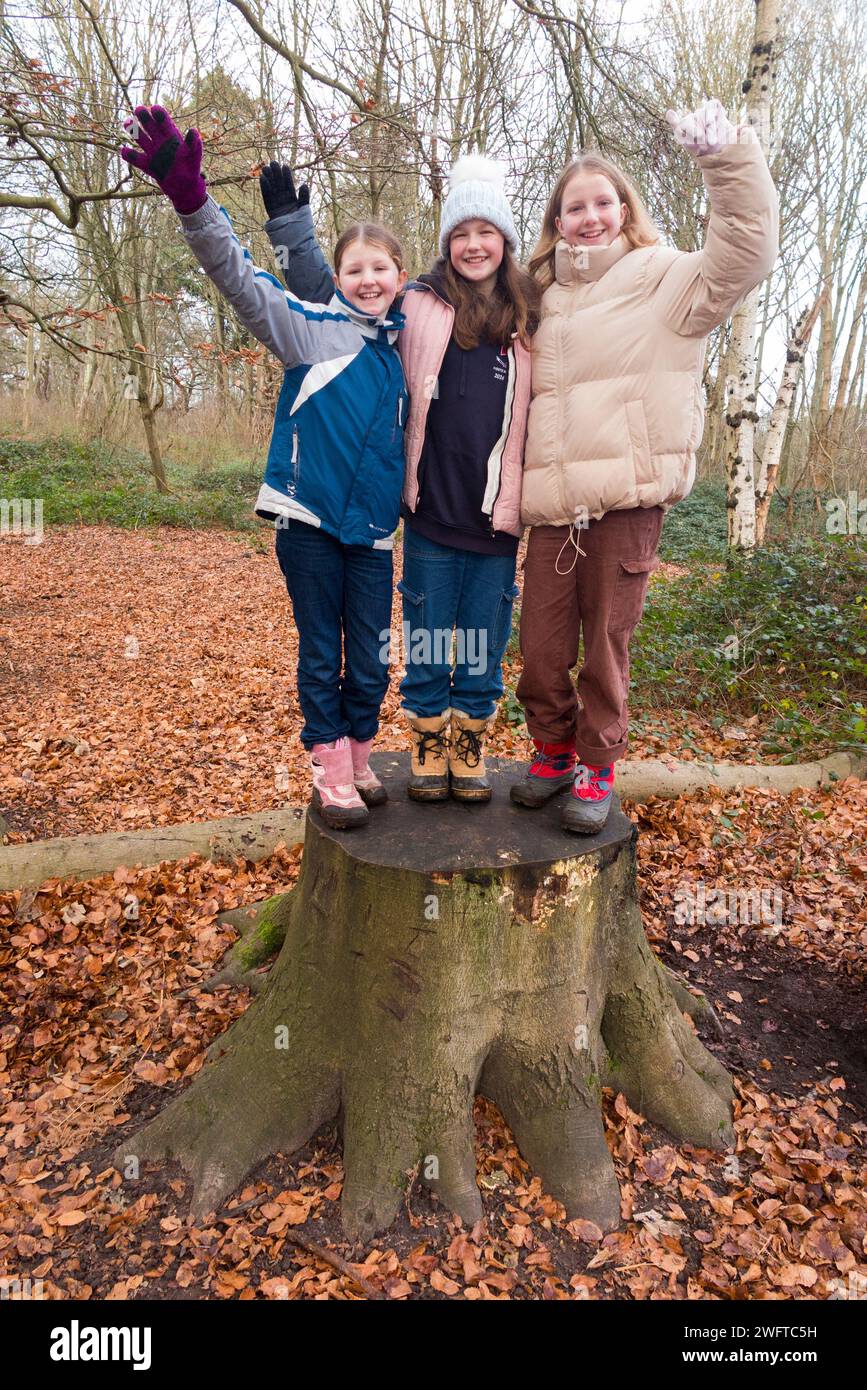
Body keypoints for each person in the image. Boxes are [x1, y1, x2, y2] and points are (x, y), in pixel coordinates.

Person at [121, 105, 409, 830]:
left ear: (400, 276)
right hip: (308, 523)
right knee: (321, 654)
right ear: (338, 280)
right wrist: (194, 204)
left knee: (371, 662)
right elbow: (243, 281)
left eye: (381, 268)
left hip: (374, 533)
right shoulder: (310, 332)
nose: (368, 280)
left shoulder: (409, 347)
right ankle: (331, 772)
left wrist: (293, 231)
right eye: (355, 270)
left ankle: (361, 753)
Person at [511, 99, 779, 832]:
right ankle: (551, 750)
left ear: (624, 210)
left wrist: (726, 160)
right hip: (550, 510)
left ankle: (597, 768)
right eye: (574, 207)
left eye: (604, 202)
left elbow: (747, 253)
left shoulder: (665, 278)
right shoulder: (538, 297)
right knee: (537, 650)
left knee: (605, 646)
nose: (589, 216)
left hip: (625, 501)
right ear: (556, 222)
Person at [261, 155, 540, 802]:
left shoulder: (530, 322)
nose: (473, 245)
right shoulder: (415, 305)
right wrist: (292, 229)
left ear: (504, 241)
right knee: (420, 645)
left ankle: (466, 758)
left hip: (497, 518)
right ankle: (423, 756)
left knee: (479, 648)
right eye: (461, 233)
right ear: (445, 243)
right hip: (427, 514)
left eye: (486, 232)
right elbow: (331, 297)